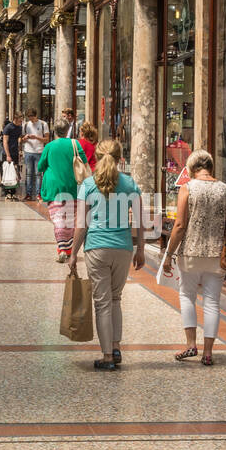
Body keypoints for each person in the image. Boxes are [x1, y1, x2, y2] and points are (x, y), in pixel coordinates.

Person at [68, 138, 144, 370]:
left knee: (102, 304)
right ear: (121, 158)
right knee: (115, 299)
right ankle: (116, 346)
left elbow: (82, 224)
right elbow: (140, 220)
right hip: (123, 248)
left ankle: (107, 356)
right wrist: (141, 249)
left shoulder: (88, 185)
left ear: (97, 158)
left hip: (97, 248)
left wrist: (72, 254)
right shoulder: (130, 184)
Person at [161, 148, 226, 366]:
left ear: (192, 168)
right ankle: (208, 353)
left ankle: (191, 344)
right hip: (217, 254)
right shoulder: (224, 188)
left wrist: (168, 255)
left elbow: (179, 225)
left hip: (191, 253)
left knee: (187, 296)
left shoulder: (187, 188)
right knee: (212, 302)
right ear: (210, 167)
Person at [38, 121, 82, 260]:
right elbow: (84, 162)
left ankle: (62, 248)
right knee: (70, 218)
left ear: (54, 131)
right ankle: (67, 248)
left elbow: (40, 166)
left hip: (54, 187)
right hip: (72, 186)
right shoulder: (75, 144)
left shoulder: (50, 146)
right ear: (68, 129)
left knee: (58, 219)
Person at [22, 107, 49, 200]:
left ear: (36, 116)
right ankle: (28, 193)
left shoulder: (43, 124)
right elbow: (21, 139)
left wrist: (36, 137)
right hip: (28, 151)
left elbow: (47, 139)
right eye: (29, 118)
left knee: (38, 174)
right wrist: (24, 138)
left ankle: (38, 193)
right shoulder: (25, 125)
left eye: (32, 117)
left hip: (39, 151)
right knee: (28, 174)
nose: (31, 120)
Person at [2, 113, 22, 178]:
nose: (21, 122)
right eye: (20, 121)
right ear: (15, 119)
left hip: (15, 152)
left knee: (14, 169)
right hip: (7, 152)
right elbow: (5, 142)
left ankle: (14, 184)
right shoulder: (8, 127)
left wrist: (20, 150)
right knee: (6, 170)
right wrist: (8, 155)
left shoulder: (20, 128)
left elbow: (19, 138)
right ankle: (5, 184)